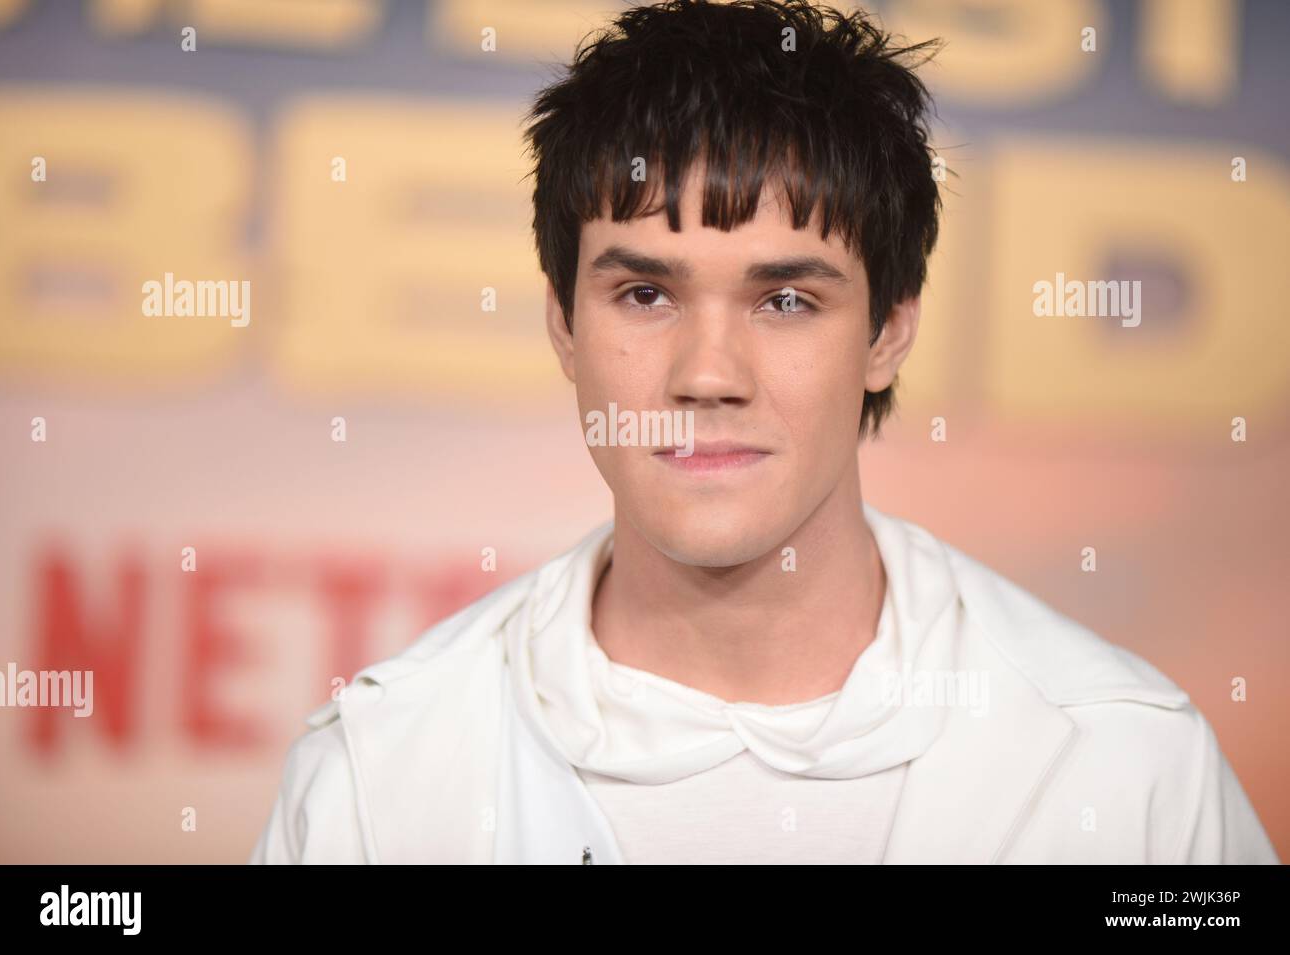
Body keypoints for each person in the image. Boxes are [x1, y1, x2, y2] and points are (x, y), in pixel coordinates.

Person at [249, 0, 1278, 864]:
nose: (707, 375)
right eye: (645, 293)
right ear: (564, 324)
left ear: (887, 333)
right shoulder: (378, 782)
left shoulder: (1128, 766)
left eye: (785, 300)